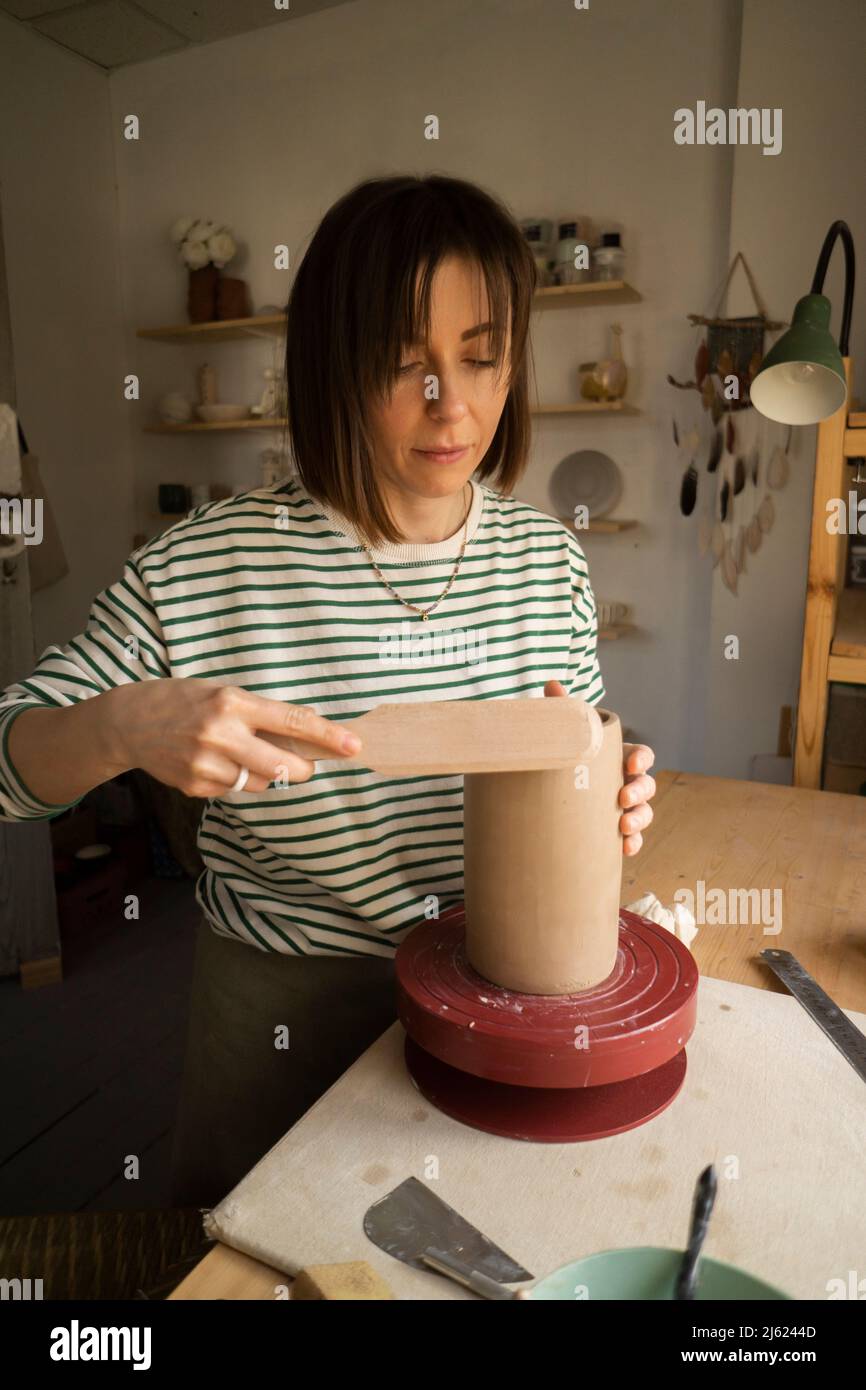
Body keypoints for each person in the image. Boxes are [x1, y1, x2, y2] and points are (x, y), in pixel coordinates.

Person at [0, 174, 656, 1208]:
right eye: (404, 364)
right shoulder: (201, 566)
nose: (453, 403)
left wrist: (605, 792)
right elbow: (9, 762)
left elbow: (564, 742)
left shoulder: (545, 560)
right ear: (329, 366)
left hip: (506, 987)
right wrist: (122, 724)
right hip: (284, 1003)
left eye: (480, 355)